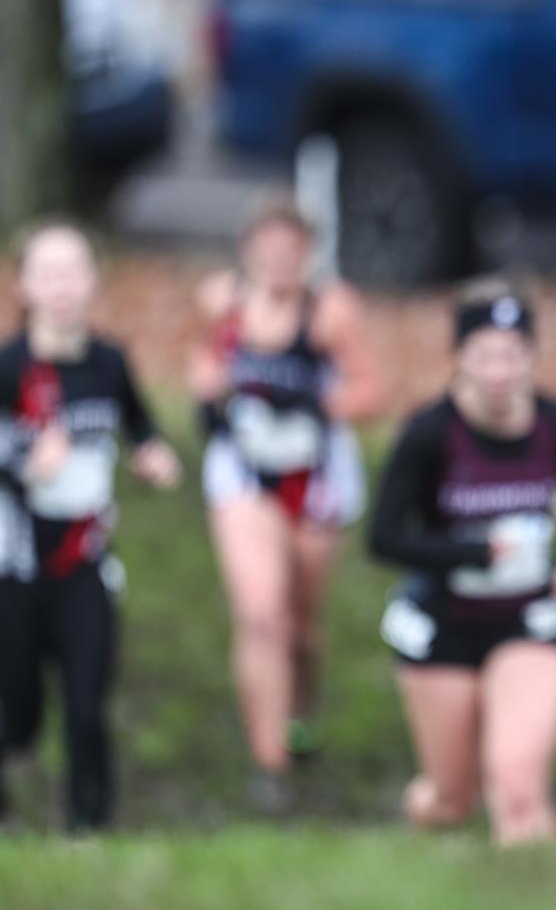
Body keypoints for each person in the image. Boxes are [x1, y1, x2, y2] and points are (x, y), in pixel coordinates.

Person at [0, 222, 182, 832]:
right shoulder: (4, 368)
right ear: (23, 285)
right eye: (47, 273)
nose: (63, 286)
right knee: (24, 719)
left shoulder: (109, 361)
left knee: (87, 711)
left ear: (95, 279)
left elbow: (140, 424)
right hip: (3, 570)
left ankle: (85, 843)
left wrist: (152, 454)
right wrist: (22, 467)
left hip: (82, 562)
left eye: (74, 270)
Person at [369, 281, 556, 845]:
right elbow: (383, 539)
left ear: (530, 355)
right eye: (483, 356)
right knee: (452, 800)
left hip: (527, 620)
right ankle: (425, 814)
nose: (499, 371)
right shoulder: (429, 432)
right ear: (458, 358)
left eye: (511, 354)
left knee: (519, 787)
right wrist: (470, 553)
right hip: (443, 624)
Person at [189, 202, 383, 809]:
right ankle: (267, 762)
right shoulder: (221, 300)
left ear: (307, 253)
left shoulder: (330, 311)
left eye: (291, 248)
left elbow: (372, 390)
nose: (278, 260)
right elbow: (201, 357)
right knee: (260, 614)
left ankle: (301, 707)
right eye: (267, 247)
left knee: (300, 626)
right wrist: (209, 396)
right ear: (247, 248)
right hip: (244, 474)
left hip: (313, 476)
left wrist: (314, 405)